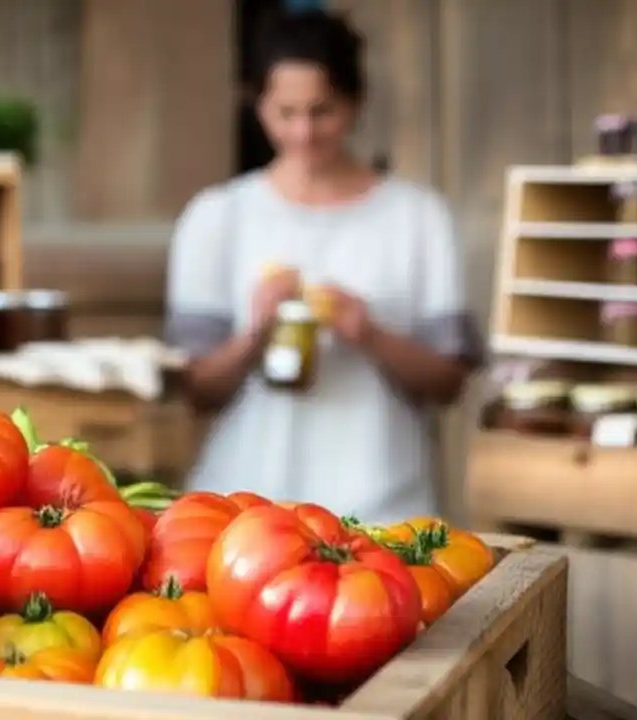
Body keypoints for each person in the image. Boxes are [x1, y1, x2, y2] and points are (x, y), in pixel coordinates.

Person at [164, 9, 483, 523]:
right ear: (258, 106)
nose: (304, 132)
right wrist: (256, 332)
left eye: (322, 110)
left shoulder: (418, 217)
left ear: (355, 104)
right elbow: (195, 388)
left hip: (383, 506)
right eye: (285, 112)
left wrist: (369, 334)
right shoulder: (217, 216)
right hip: (244, 505)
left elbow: (449, 382)